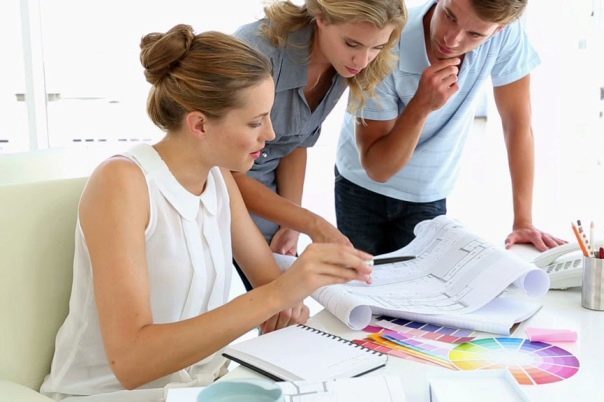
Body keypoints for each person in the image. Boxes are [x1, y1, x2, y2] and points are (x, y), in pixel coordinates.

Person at [40, 24, 372, 400]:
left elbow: (269, 288)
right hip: (107, 393)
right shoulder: (123, 183)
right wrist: (280, 294)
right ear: (198, 124)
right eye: (255, 121)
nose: (272, 133)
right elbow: (132, 362)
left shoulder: (218, 179)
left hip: (199, 388)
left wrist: (297, 292)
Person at [334, 0, 567, 255]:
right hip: (361, 186)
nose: (452, 40)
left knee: (421, 289)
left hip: (428, 190)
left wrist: (523, 221)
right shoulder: (386, 40)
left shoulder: (505, 35)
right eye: (450, 16)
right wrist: (421, 105)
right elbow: (378, 168)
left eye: (475, 34)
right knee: (361, 286)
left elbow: (517, 123)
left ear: (498, 30)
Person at [231, 0, 407, 270]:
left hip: (265, 190)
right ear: (321, 17)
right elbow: (224, 172)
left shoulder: (341, 63)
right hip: (218, 189)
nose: (362, 61)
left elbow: (294, 144)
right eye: (352, 44)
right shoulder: (257, 52)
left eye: (377, 47)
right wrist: (310, 223)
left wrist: (291, 226)